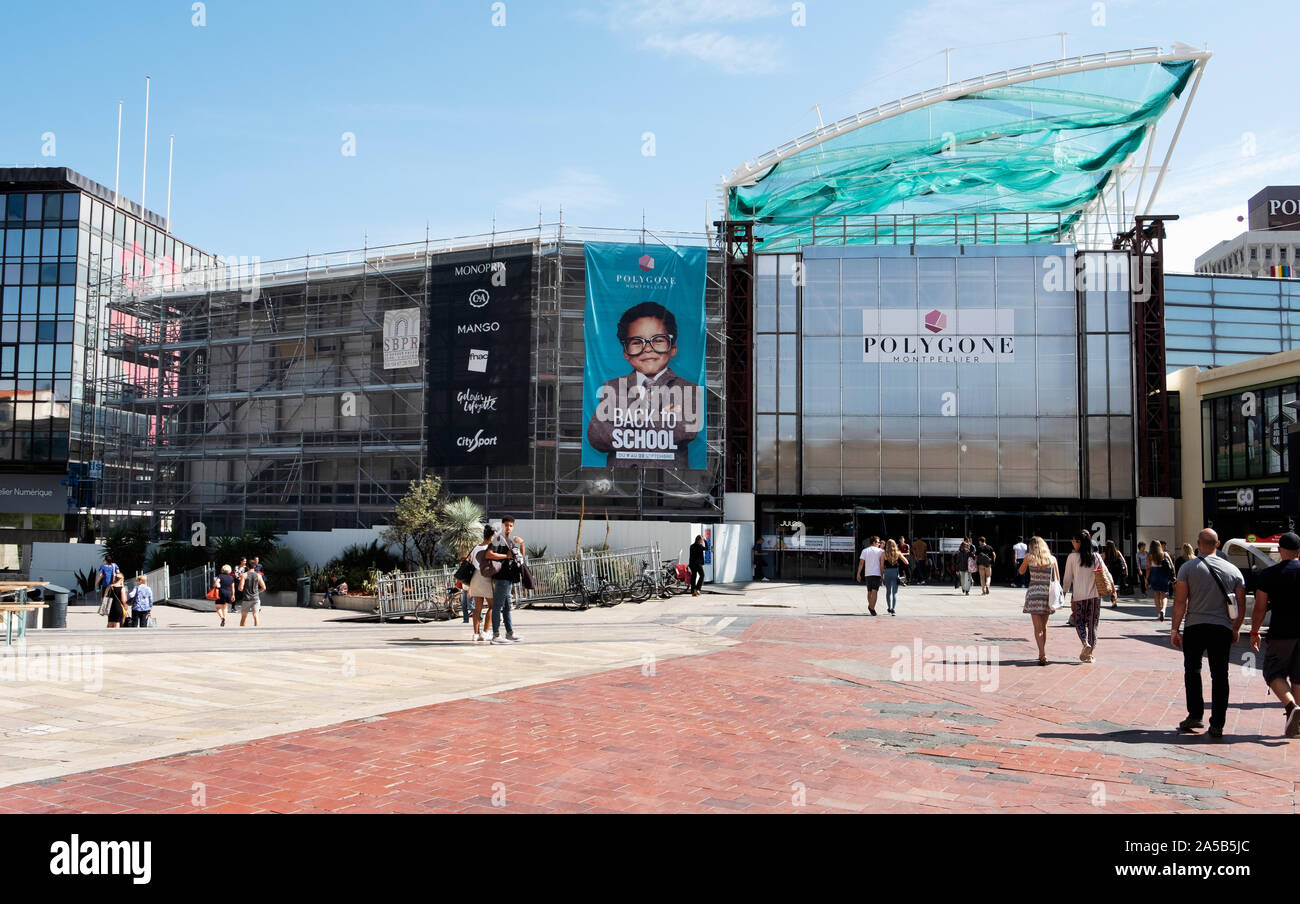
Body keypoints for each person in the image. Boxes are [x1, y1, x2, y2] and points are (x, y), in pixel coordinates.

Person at [585, 301, 703, 469]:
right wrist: (660, 417)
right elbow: (597, 435)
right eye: (636, 342)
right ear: (626, 353)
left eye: (658, 340)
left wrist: (625, 419)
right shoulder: (612, 387)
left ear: (672, 349)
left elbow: (685, 430)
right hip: (622, 480)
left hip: (671, 478)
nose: (647, 349)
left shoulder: (688, 389)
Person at [1172, 528, 1245, 738]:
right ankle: (1218, 723)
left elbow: (1180, 602)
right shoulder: (1234, 571)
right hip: (1221, 628)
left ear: (1198, 544)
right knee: (1220, 675)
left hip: (1195, 626)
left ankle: (1195, 714)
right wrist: (1236, 628)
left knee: (1192, 670)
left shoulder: (1187, 568)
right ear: (1218, 544)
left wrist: (1175, 629)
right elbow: (1239, 604)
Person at [1250, 532, 1300, 738]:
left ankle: (1291, 707)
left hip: (1281, 632)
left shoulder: (1268, 575)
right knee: (1299, 676)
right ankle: (1297, 725)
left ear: (1280, 550)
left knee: (1273, 673)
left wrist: (1254, 631)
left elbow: (1260, 607)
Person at [1062, 529, 1111, 663]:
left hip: (1079, 596)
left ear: (1079, 542)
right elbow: (1106, 573)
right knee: (1092, 624)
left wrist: (1063, 595)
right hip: (1094, 596)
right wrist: (1113, 589)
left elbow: (1067, 579)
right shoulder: (1096, 556)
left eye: (1074, 540)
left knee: (1079, 622)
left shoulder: (1072, 558)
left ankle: (1085, 643)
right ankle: (1090, 653)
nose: (1072, 543)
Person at [1020, 536, 1060, 665]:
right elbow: (1057, 578)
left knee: (1037, 628)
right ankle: (1042, 652)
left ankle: (1042, 653)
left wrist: (1026, 563)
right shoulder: (1052, 559)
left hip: (1034, 594)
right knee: (1044, 626)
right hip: (1047, 594)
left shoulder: (1029, 558)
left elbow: (1021, 572)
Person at [487, 516, 525, 644]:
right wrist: (505, 555)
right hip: (501, 577)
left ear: (513, 527)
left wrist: (522, 543)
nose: (508, 527)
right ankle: (496, 635)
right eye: (506, 525)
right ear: (502, 526)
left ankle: (509, 633)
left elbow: (520, 557)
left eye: (510, 525)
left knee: (507, 607)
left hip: (508, 578)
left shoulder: (509, 540)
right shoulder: (498, 539)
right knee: (497, 607)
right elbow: (489, 554)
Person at [468, 525, 497, 642]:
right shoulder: (490, 548)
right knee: (492, 606)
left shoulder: (475, 547)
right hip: (486, 577)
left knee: (477, 608)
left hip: (475, 578)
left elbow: (472, 562)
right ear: (491, 536)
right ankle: (485, 632)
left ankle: (475, 634)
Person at [855, 536, 885, 615]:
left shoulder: (865, 551)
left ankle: (871, 607)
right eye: (878, 542)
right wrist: (882, 574)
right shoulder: (881, 551)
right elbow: (882, 565)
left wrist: (858, 573)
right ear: (874, 542)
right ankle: (872, 608)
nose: (879, 544)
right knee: (875, 591)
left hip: (867, 574)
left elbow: (861, 563)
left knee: (869, 591)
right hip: (877, 573)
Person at [1146, 540, 1175, 621]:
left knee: (1156, 595)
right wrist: (1173, 577)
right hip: (1164, 575)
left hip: (1154, 574)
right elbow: (1172, 566)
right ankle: (1164, 610)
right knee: (1164, 595)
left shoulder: (1150, 555)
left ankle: (1159, 613)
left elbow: (1148, 568)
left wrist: (1146, 579)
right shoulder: (1165, 554)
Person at [881, 539, 909, 615]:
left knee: (888, 592)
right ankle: (893, 608)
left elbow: (882, 566)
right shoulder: (898, 553)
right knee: (895, 593)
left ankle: (889, 607)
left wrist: (882, 575)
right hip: (895, 572)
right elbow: (907, 562)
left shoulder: (884, 554)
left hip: (887, 572)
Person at [1102, 540, 1128, 609]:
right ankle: (1114, 601)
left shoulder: (1105, 553)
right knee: (1115, 588)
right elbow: (1124, 562)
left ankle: (1114, 601)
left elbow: (1101, 563)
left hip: (1109, 572)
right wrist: (1126, 571)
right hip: (1118, 572)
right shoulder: (1117, 552)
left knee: (1112, 588)